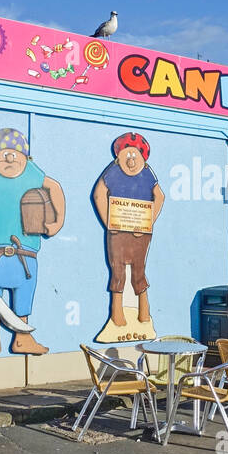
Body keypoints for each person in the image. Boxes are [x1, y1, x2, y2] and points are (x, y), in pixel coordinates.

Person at [0, 128, 66, 355]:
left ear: (26, 157)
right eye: (3, 154)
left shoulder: (32, 173)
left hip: (26, 251)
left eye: (15, 153)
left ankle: (22, 337)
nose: (9, 158)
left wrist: (57, 223)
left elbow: (55, 188)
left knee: (24, 292)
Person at [93, 132, 164, 328]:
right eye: (127, 155)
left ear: (142, 156)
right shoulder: (112, 172)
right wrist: (108, 221)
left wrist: (149, 220)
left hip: (140, 231)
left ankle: (144, 313)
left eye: (135, 155)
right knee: (117, 270)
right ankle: (117, 314)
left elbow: (160, 196)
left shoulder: (147, 174)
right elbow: (99, 194)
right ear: (119, 156)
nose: (131, 161)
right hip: (117, 230)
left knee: (139, 269)